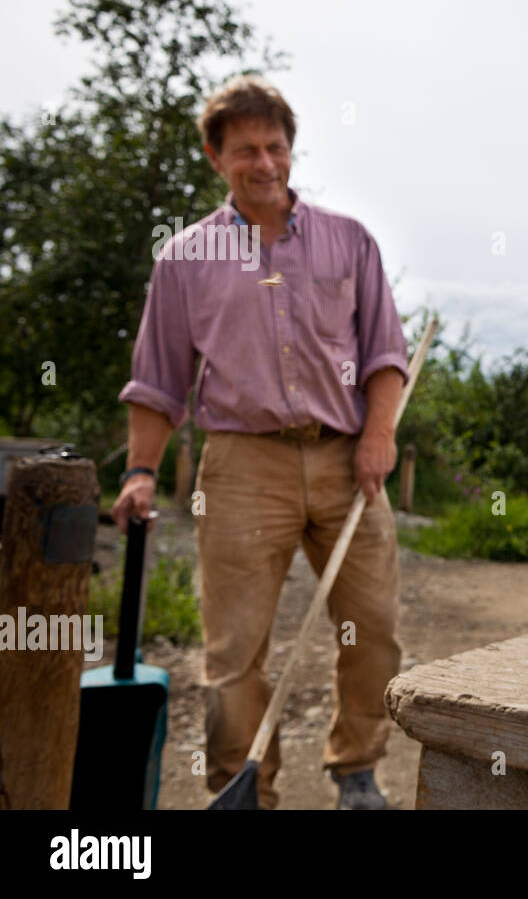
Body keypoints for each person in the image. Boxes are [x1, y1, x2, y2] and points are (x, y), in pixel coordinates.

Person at [112, 74, 407, 809]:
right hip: (241, 465)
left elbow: (385, 355)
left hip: (348, 461)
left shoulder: (350, 241)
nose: (266, 162)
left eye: (276, 146)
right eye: (246, 150)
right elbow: (156, 381)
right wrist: (141, 471)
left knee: (371, 632)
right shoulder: (185, 258)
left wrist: (378, 437)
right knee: (233, 651)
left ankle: (358, 774)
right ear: (215, 157)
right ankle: (241, 789)